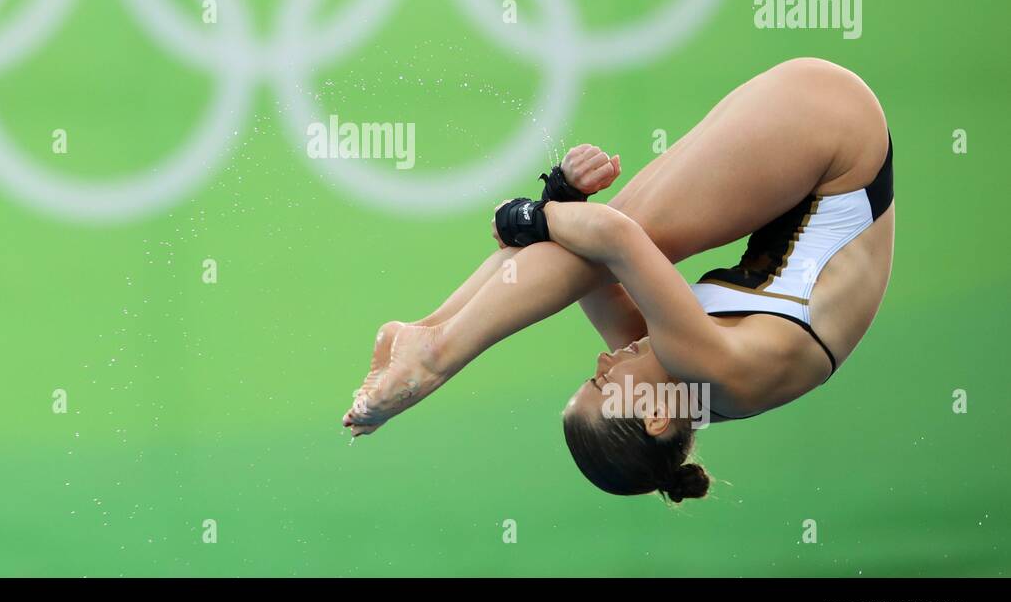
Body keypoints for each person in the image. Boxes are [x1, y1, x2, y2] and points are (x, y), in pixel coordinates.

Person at [342, 58, 894, 503]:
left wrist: (560, 198)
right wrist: (530, 216)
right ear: (656, 418)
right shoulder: (713, 368)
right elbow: (614, 238)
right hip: (836, 134)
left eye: (595, 376)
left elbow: (589, 273)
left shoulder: (674, 378)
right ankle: (437, 353)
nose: (605, 364)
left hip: (816, 150)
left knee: (588, 256)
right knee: (626, 234)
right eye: (604, 385)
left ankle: (431, 331)